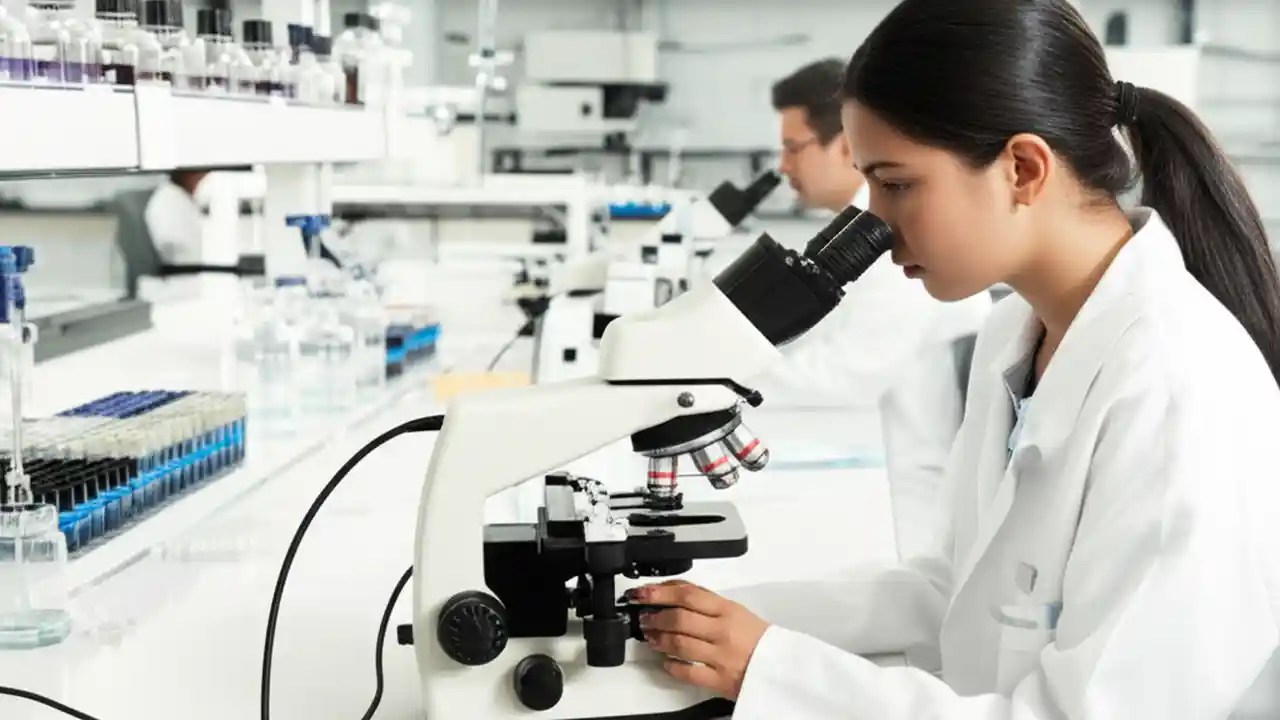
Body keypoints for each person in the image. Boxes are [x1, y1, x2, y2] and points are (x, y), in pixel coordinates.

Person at [632, 0, 1280, 717]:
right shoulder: (1014, 335)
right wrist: (716, 620)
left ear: (1023, 169)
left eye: (897, 183)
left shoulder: (1177, 387)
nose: (872, 224)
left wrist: (774, 669)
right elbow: (950, 592)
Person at [760, 58, 993, 561]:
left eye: (793, 147)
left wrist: (727, 383)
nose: (782, 165)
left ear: (845, 145)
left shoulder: (893, 232)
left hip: (919, 498)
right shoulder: (855, 225)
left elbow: (853, 369)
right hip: (889, 472)